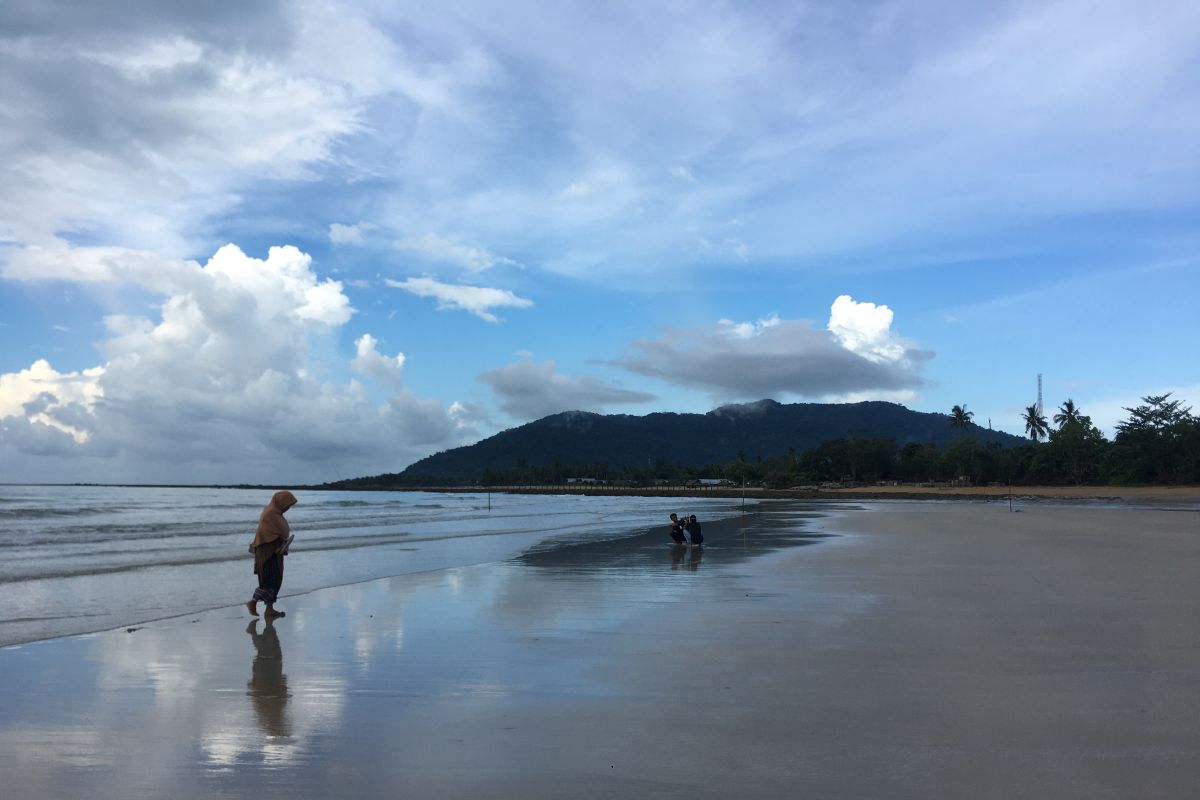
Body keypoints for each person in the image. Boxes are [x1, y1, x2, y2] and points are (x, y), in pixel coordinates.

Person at [246, 490, 297, 619]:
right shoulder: (270, 514)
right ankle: (253, 602)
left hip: (275, 551)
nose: (287, 508)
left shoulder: (276, 513)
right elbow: (267, 534)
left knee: (276, 580)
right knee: (269, 580)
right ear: (280, 502)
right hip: (267, 553)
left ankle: (269, 609)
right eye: (287, 504)